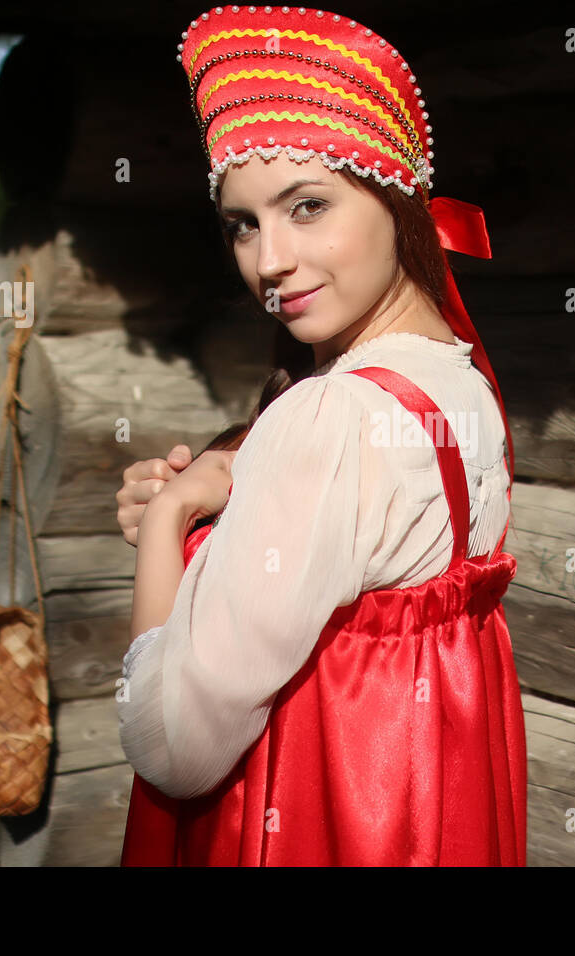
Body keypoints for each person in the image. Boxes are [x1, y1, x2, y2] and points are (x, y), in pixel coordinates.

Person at [113, 5, 525, 865]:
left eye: (308, 206)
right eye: (244, 224)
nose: (269, 261)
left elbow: (175, 745)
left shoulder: (330, 417)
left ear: (397, 200)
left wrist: (168, 522)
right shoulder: (459, 381)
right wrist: (235, 495)